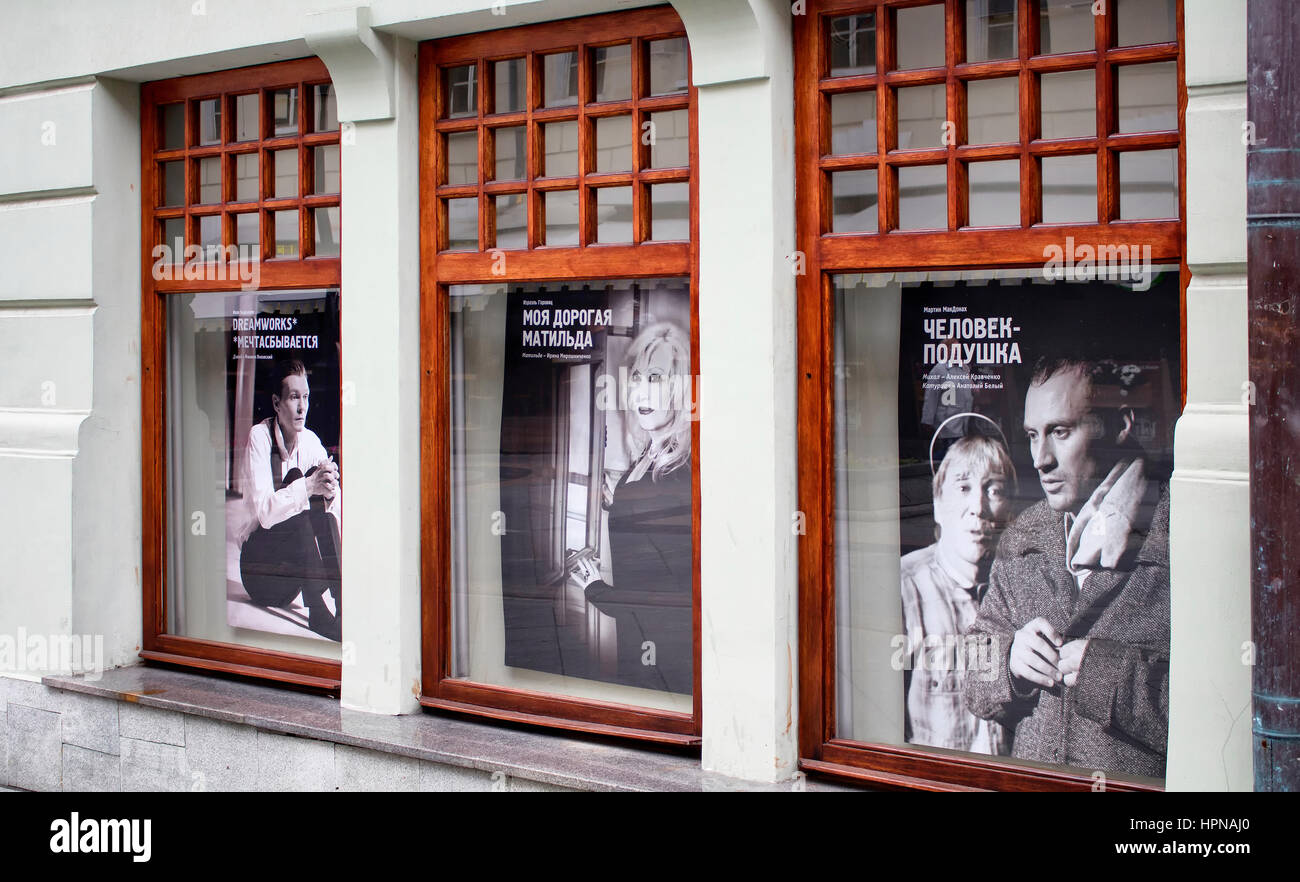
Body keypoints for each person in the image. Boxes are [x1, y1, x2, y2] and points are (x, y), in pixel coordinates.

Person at [964, 357, 1170, 779]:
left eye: (1060, 432)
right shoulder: (1026, 533)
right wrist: (1008, 661)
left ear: (1122, 423)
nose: (1041, 459)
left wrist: (1108, 676)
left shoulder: (1176, 531)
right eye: (1032, 435)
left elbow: (1227, 713)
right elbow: (971, 671)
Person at [569, 322, 693, 695]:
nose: (642, 391)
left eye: (657, 379)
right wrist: (619, 497)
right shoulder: (649, 454)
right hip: (640, 641)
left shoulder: (676, 476)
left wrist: (595, 589)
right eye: (638, 378)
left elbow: (659, 598)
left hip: (663, 653)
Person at [901, 427, 1015, 755]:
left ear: (1009, 509)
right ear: (938, 505)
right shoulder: (906, 586)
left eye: (994, 490)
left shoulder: (1025, 586)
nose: (977, 507)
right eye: (963, 487)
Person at [234, 358, 342, 642]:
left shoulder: (309, 440)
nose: (302, 406)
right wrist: (309, 485)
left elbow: (332, 511)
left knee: (317, 493)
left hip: (293, 574)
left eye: (305, 397)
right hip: (260, 572)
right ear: (276, 403)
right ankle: (318, 611)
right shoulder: (260, 437)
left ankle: (341, 605)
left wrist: (330, 489)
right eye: (294, 397)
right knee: (299, 480)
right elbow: (266, 515)